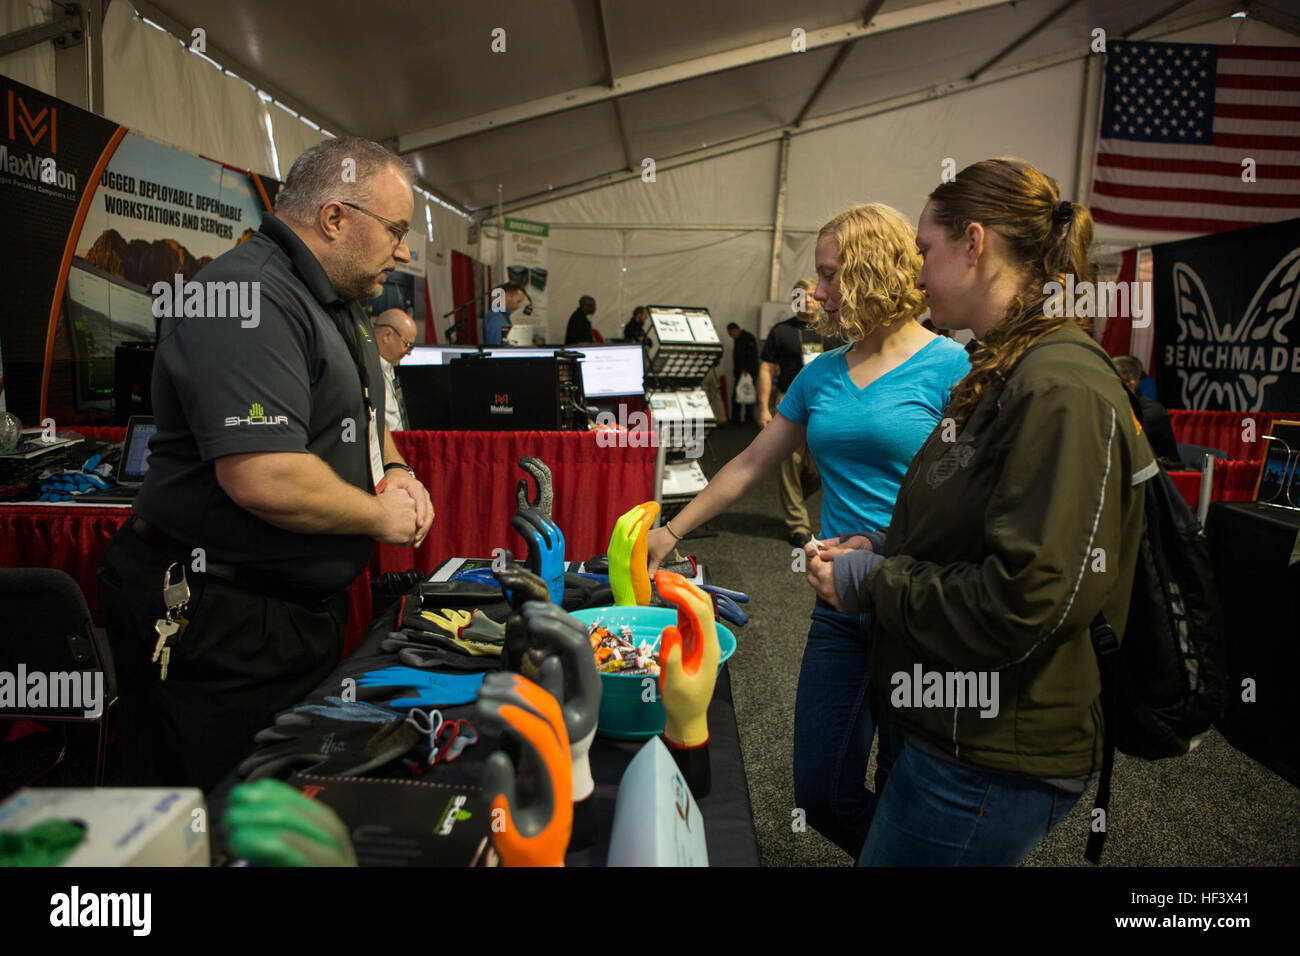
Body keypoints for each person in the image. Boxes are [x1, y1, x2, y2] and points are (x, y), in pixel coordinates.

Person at [809, 158, 1156, 866]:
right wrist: (880, 546)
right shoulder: (1001, 367)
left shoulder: (1058, 383)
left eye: (926, 254)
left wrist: (875, 582)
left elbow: (1030, 597)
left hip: (994, 747)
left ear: (974, 244)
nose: (917, 277)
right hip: (953, 720)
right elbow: (978, 524)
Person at [97, 136, 435, 791]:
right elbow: (262, 472)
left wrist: (396, 471)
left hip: (286, 621)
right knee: (223, 816)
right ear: (334, 218)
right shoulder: (246, 297)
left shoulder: (342, 302)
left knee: (277, 810)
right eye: (395, 230)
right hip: (220, 628)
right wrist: (380, 516)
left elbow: (364, 417)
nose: (401, 251)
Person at [646, 203, 970, 859]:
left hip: (920, 608)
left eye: (829, 275)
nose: (817, 292)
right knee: (820, 796)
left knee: (906, 785)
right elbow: (749, 463)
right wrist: (671, 528)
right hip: (839, 609)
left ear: (873, 271)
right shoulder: (822, 371)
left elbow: (975, 503)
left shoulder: (951, 370)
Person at [757, 277, 844, 547]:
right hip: (788, 402)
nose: (806, 301)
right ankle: (798, 524)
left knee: (820, 469)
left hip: (826, 404)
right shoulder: (780, 331)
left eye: (810, 295)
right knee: (789, 466)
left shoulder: (833, 332)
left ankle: (793, 501)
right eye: (800, 296)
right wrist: (763, 408)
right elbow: (766, 369)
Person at [1114, 354, 1181, 465]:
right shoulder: (1121, 407)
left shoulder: (1151, 413)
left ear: (1131, 386)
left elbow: (1124, 446)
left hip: (1163, 475)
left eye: (1113, 385)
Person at [374, 308, 416, 431]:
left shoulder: (389, 366)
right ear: (387, 336)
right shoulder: (368, 370)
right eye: (407, 345)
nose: (409, 353)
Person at [726, 321, 759, 424]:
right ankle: (737, 418)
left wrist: (747, 369)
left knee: (748, 393)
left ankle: (749, 417)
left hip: (748, 372)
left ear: (735, 330)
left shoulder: (748, 338)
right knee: (738, 395)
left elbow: (752, 356)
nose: (731, 336)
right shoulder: (737, 340)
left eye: (731, 333)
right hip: (740, 372)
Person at [484, 282, 526, 346]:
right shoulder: (496, 318)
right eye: (518, 301)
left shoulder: (501, 316)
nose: (519, 306)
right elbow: (497, 349)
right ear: (507, 296)